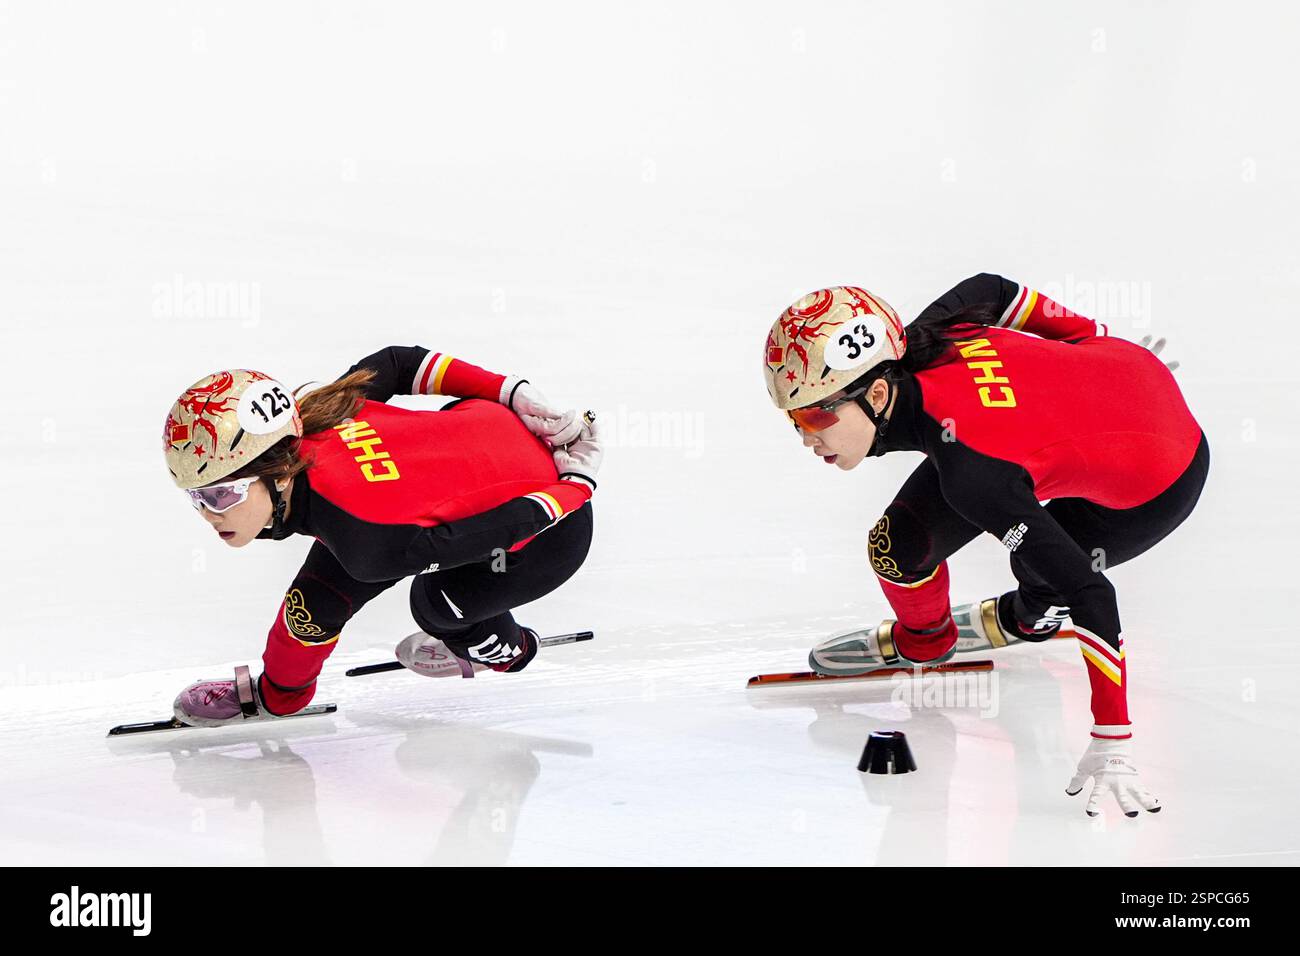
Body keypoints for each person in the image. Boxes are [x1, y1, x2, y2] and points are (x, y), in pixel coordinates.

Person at [762, 276, 1208, 817]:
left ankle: (1028, 617)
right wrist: (1094, 340)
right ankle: (925, 640)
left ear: (877, 394)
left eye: (814, 416)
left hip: (1157, 479)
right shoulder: (924, 337)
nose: (806, 438)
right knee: (896, 549)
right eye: (794, 418)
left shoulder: (975, 476)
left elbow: (1094, 593)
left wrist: (1113, 735)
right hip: (1123, 375)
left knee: (1045, 570)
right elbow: (992, 289)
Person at [162, 348, 601, 726]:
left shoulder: (370, 544)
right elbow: (398, 362)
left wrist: (575, 487)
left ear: (275, 472)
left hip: (547, 534)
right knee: (313, 605)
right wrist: (510, 391)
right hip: (480, 447)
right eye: (196, 498)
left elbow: (485, 533)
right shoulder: (314, 415)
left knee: (434, 603)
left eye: (221, 494)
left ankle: (509, 650)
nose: (207, 514)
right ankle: (279, 696)